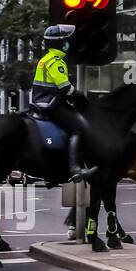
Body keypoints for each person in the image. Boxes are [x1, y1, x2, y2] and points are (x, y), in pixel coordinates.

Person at [32, 24, 96, 183]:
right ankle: (75, 168)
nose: (68, 43)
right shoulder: (56, 62)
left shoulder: (44, 60)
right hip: (52, 104)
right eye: (66, 41)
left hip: (41, 102)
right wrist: (80, 95)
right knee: (79, 128)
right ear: (59, 43)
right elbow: (65, 88)